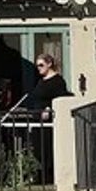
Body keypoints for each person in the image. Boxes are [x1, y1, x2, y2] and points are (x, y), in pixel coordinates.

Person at [26, 54, 71, 184]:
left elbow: (61, 99)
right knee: (37, 149)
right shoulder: (41, 81)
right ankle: (40, 176)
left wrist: (49, 108)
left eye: (41, 65)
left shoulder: (58, 81)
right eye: (37, 65)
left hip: (48, 122)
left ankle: (48, 177)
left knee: (47, 149)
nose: (38, 68)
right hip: (37, 119)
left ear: (49, 64)